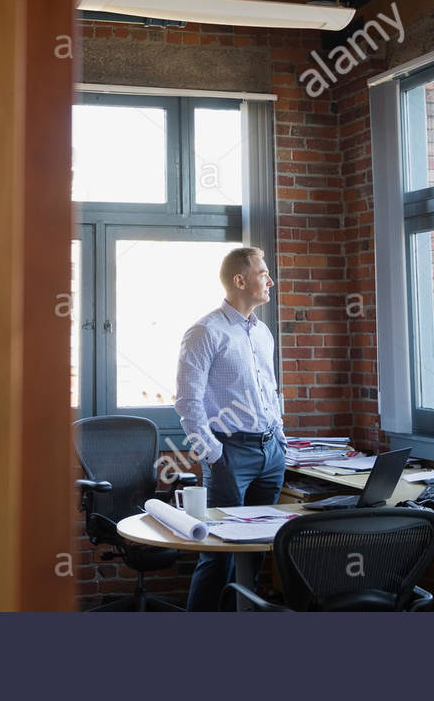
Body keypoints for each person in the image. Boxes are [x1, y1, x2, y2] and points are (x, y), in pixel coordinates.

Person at [174, 246, 285, 611]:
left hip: (270, 455)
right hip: (229, 455)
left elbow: (269, 390)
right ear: (240, 280)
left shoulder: (262, 333)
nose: (270, 280)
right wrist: (214, 453)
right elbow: (187, 402)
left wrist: (279, 439)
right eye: (262, 273)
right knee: (218, 554)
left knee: (256, 552)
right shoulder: (205, 331)